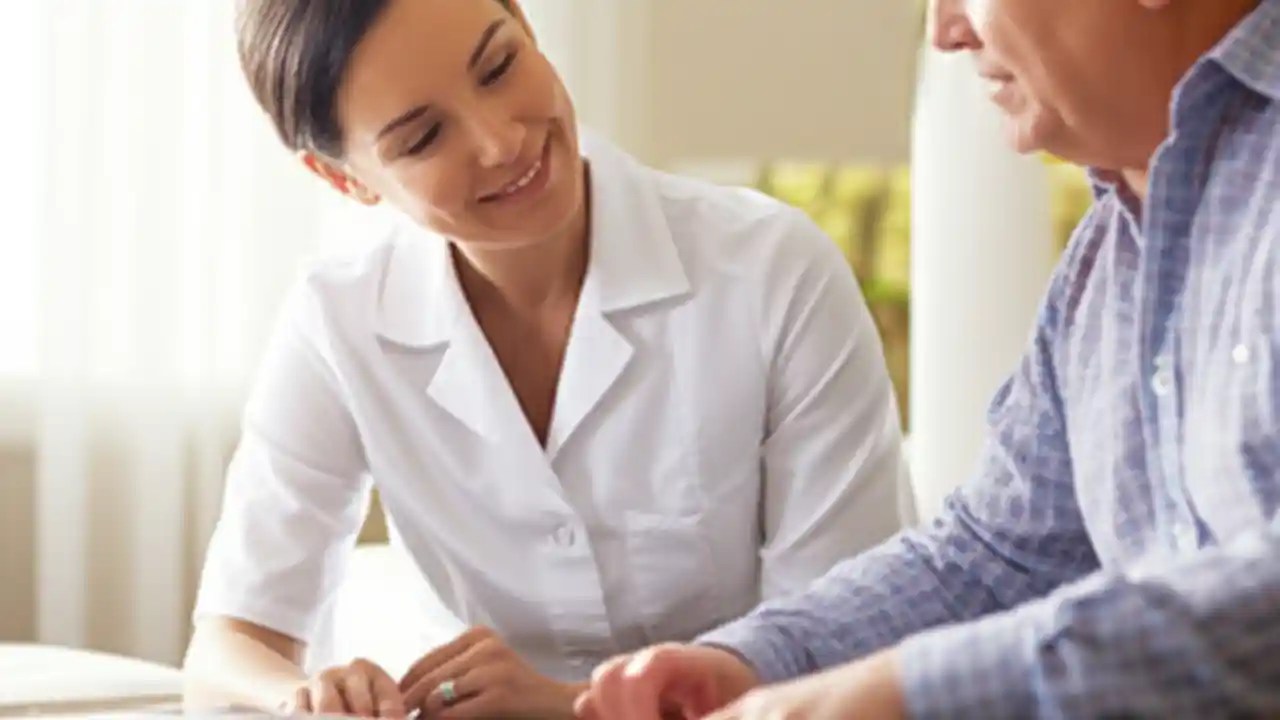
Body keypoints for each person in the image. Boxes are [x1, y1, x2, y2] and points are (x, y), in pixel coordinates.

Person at [181, 0, 908, 717]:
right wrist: (304, 696)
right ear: (347, 180)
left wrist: (567, 707)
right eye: (425, 137)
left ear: (527, 26)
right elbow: (226, 651)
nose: (501, 142)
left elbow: (842, 655)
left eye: (498, 67)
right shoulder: (338, 318)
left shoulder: (772, 273)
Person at [576, 0, 1280, 717]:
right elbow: (997, 561)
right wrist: (751, 661)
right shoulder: (1106, 261)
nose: (945, 31)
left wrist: (897, 696)